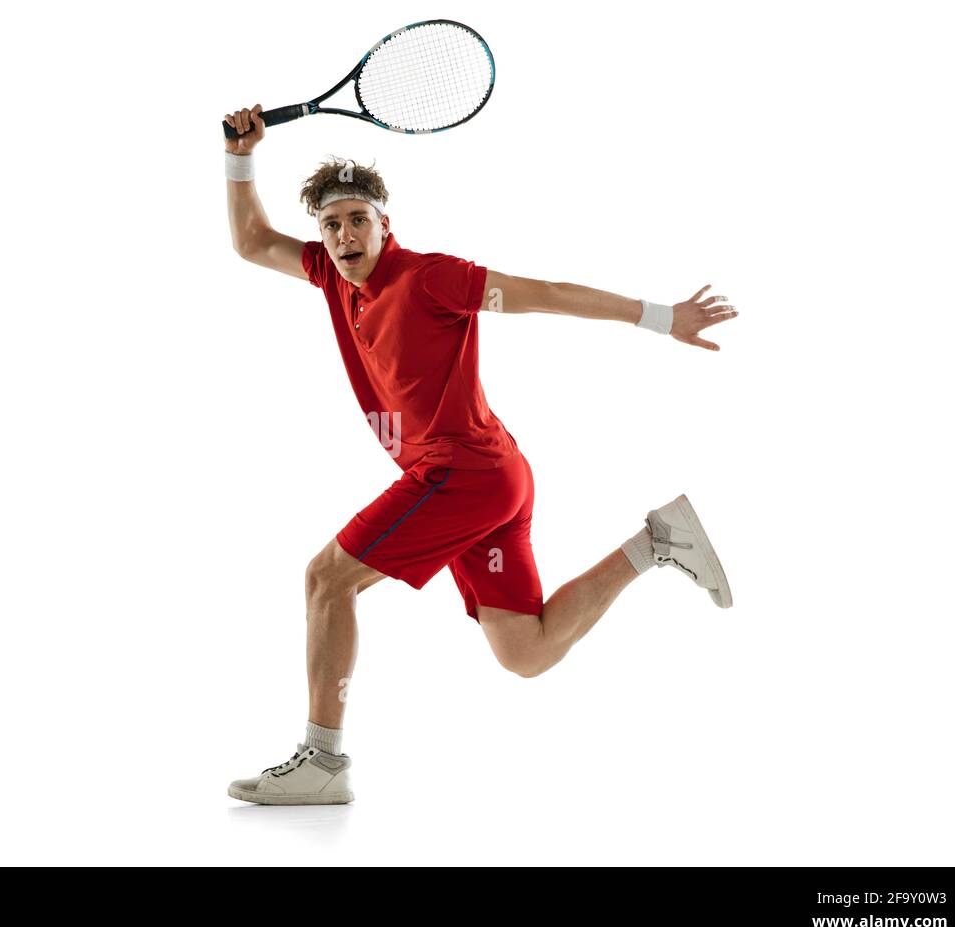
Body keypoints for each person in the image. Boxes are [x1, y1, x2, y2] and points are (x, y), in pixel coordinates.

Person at [221, 103, 739, 806]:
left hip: (464, 474)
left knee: (326, 580)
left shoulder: (431, 278)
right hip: (495, 477)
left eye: (357, 220)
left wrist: (661, 317)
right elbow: (251, 242)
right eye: (332, 224)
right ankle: (659, 542)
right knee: (525, 652)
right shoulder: (328, 276)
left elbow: (545, 294)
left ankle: (323, 761)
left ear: (384, 224)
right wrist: (240, 155)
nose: (344, 235)